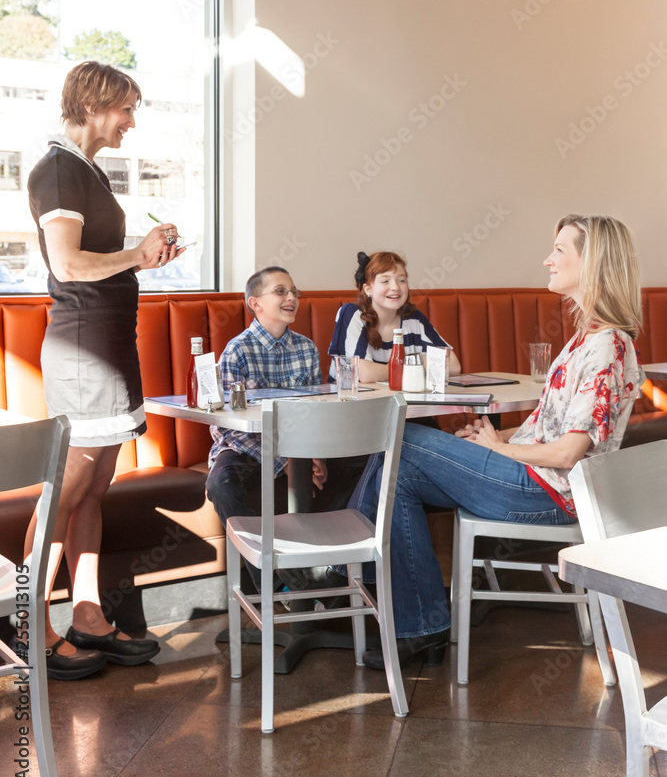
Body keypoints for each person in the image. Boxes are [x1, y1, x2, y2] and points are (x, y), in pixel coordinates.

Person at [354, 215, 645, 670]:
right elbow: (548, 425)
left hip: (551, 490)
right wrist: (493, 435)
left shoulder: (607, 347)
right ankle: (422, 627)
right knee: (402, 473)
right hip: (531, 475)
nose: (548, 260)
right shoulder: (584, 340)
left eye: (559, 251)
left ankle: (343, 569)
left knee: (402, 436)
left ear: (593, 264)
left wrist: (496, 448)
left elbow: (568, 452)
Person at [23, 60, 183, 680]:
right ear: (93, 104)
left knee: (92, 491)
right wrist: (135, 254)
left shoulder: (86, 171)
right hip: (84, 353)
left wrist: (142, 259)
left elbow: (102, 263)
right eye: (125, 110)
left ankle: (87, 617)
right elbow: (66, 266)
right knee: (60, 495)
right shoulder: (58, 169)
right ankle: (29, 623)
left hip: (110, 348)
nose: (130, 123)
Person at [205, 266, 325, 591]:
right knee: (222, 487)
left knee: (350, 472)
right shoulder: (237, 351)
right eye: (281, 291)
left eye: (294, 292)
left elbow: (315, 412)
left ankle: (329, 579)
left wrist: (312, 455)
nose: (291, 298)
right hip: (245, 450)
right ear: (255, 303)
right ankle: (274, 585)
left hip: (296, 447)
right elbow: (230, 426)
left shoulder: (307, 349)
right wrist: (284, 460)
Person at [328, 250, 462, 382]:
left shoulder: (413, 318)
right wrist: (419, 364)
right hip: (356, 402)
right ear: (368, 289)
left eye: (402, 280)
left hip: (399, 401)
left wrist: (390, 370)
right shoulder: (352, 314)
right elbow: (366, 374)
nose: (395, 287)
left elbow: (454, 365)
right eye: (385, 281)